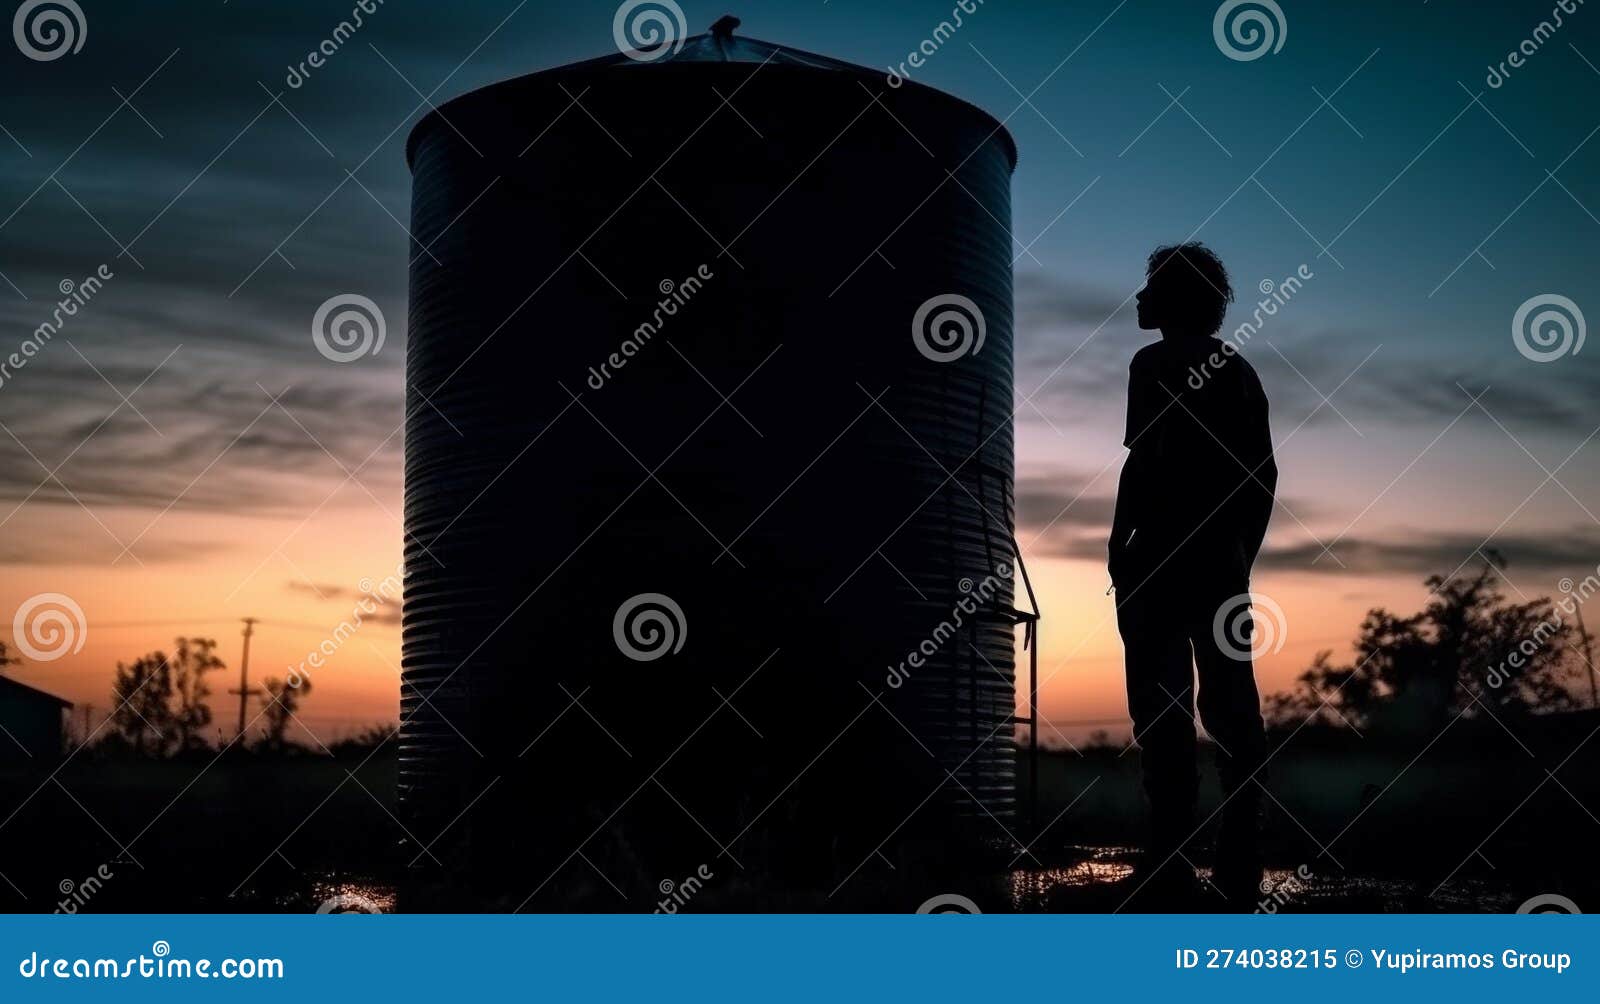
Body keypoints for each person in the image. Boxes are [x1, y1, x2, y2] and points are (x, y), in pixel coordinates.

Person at [1109, 242, 1276, 908]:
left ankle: (1169, 859)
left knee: (1162, 707)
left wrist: (1120, 543)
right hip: (1218, 564)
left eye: (1149, 287)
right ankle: (1240, 858)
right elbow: (1261, 478)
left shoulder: (1152, 362)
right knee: (1232, 705)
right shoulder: (1241, 373)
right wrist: (1240, 556)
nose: (1139, 298)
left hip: (1158, 562)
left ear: (1174, 299)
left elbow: (1143, 463)